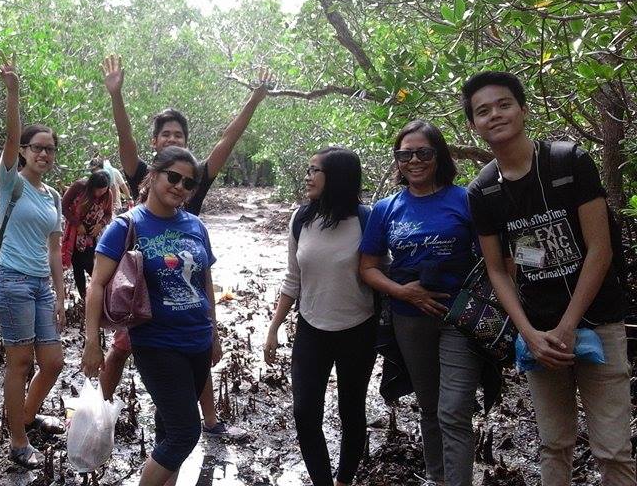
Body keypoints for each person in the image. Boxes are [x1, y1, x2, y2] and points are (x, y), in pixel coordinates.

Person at [462, 71, 635, 486]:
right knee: (553, 444)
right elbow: (498, 270)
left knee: (612, 449)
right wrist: (530, 334)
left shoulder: (567, 161)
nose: (495, 115)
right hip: (537, 332)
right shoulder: (483, 190)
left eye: (504, 104)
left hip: (597, 321)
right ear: (473, 125)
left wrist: (569, 325)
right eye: (482, 111)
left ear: (522, 108)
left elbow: (600, 249)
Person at [100, 54, 273, 439]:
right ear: (156, 142)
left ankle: (209, 420)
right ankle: (99, 409)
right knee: (121, 348)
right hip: (145, 281)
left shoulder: (194, 177)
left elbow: (229, 139)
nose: (173, 139)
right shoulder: (144, 174)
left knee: (195, 348)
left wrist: (254, 100)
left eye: (179, 135)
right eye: (166, 135)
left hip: (187, 273)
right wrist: (116, 95)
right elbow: (124, 139)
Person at [82, 147, 221, 486]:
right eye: (173, 177)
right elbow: (97, 284)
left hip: (197, 340)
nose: (180, 187)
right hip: (157, 343)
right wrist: (91, 343)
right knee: (185, 434)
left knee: (168, 429)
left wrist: (214, 333)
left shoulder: (196, 226)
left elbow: (205, 282)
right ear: (153, 175)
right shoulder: (128, 226)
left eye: (188, 183)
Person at [358, 120, 480, 486]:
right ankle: (437, 477)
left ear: (438, 156)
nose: (414, 160)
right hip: (409, 318)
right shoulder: (386, 208)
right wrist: (402, 292)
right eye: (404, 154)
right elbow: (368, 267)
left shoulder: (464, 200)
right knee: (429, 406)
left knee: (454, 409)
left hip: (459, 317)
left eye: (423, 152)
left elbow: (491, 258)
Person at [265, 147, 376, 486]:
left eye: (315, 170)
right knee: (304, 413)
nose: (308, 177)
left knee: (352, 411)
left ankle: (344, 480)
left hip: (359, 329)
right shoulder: (301, 219)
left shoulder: (366, 219)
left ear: (337, 178)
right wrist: (273, 328)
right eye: (308, 170)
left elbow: (380, 271)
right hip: (311, 328)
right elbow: (292, 279)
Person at [0, 58, 67, 469]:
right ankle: (18, 441)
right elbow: (8, 136)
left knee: (53, 362)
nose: (44, 154)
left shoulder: (53, 196)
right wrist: (13, 92)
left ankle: (24, 417)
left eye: (50, 149)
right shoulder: (11, 182)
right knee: (20, 361)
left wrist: (59, 292)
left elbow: (55, 248)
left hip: (40, 284)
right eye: (37, 147)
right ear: (23, 151)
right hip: (11, 280)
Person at [62, 170, 114, 299]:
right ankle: (84, 297)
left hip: (92, 236)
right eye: (97, 190)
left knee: (91, 265)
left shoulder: (108, 195)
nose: (99, 194)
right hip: (74, 234)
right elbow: (63, 206)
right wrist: (76, 223)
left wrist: (100, 225)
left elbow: (108, 214)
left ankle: (102, 295)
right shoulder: (79, 187)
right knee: (77, 267)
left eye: (102, 191)